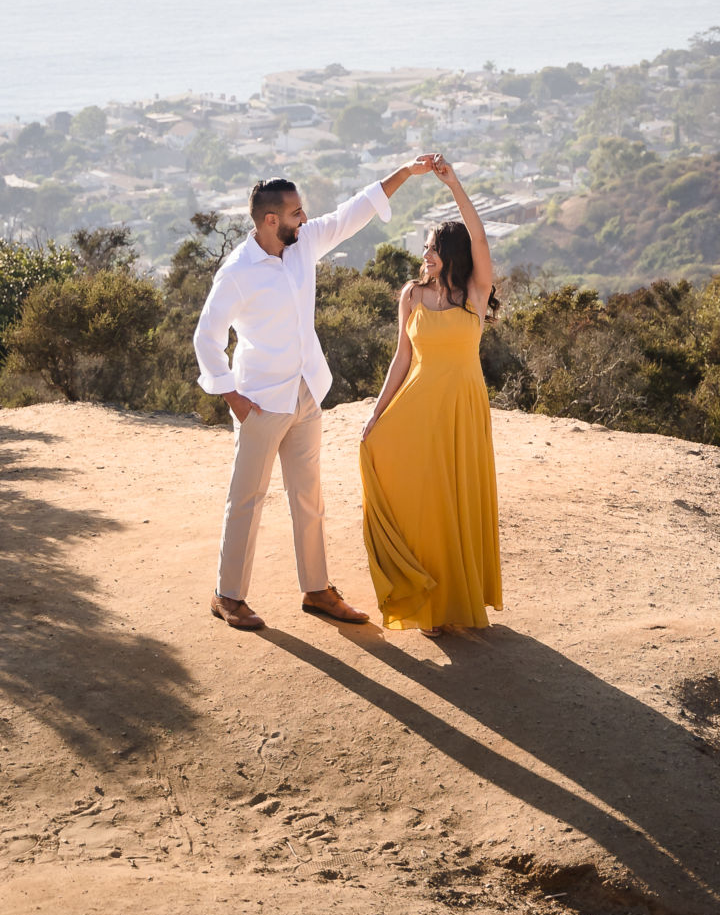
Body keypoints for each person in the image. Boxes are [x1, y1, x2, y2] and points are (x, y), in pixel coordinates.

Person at [193, 156, 436, 631]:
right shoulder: (238, 271)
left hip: (305, 392)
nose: (304, 218)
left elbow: (352, 213)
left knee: (309, 497)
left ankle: (317, 589)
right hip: (260, 400)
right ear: (270, 220)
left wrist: (404, 174)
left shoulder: (304, 245)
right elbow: (206, 337)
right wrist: (232, 397)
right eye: (296, 212)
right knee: (247, 498)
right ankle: (228, 595)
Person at [359, 154, 503, 634]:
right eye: (424, 249)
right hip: (419, 409)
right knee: (423, 502)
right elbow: (402, 358)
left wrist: (454, 184)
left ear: (453, 253)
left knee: (455, 503)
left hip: (462, 409)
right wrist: (377, 415)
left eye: (433, 249)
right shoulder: (412, 296)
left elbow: (479, 236)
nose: (425, 255)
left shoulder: (475, 294)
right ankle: (426, 594)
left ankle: (454, 600)